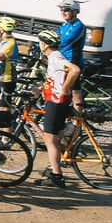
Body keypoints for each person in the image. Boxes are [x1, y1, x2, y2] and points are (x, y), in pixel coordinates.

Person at [37, 27, 80, 189]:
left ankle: (57, 176)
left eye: (40, 42)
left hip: (55, 103)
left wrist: (66, 88)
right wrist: (42, 89)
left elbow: (75, 69)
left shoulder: (55, 57)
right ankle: (54, 167)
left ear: (45, 44)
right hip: (60, 102)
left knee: (49, 140)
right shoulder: (55, 57)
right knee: (56, 137)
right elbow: (56, 78)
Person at [56, 0, 87, 111]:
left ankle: (77, 124)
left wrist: (50, 45)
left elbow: (65, 40)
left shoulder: (78, 26)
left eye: (66, 10)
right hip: (63, 61)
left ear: (75, 11)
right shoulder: (64, 25)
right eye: (61, 10)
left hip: (73, 61)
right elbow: (53, 36)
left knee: (75, 92)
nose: (63, 12)